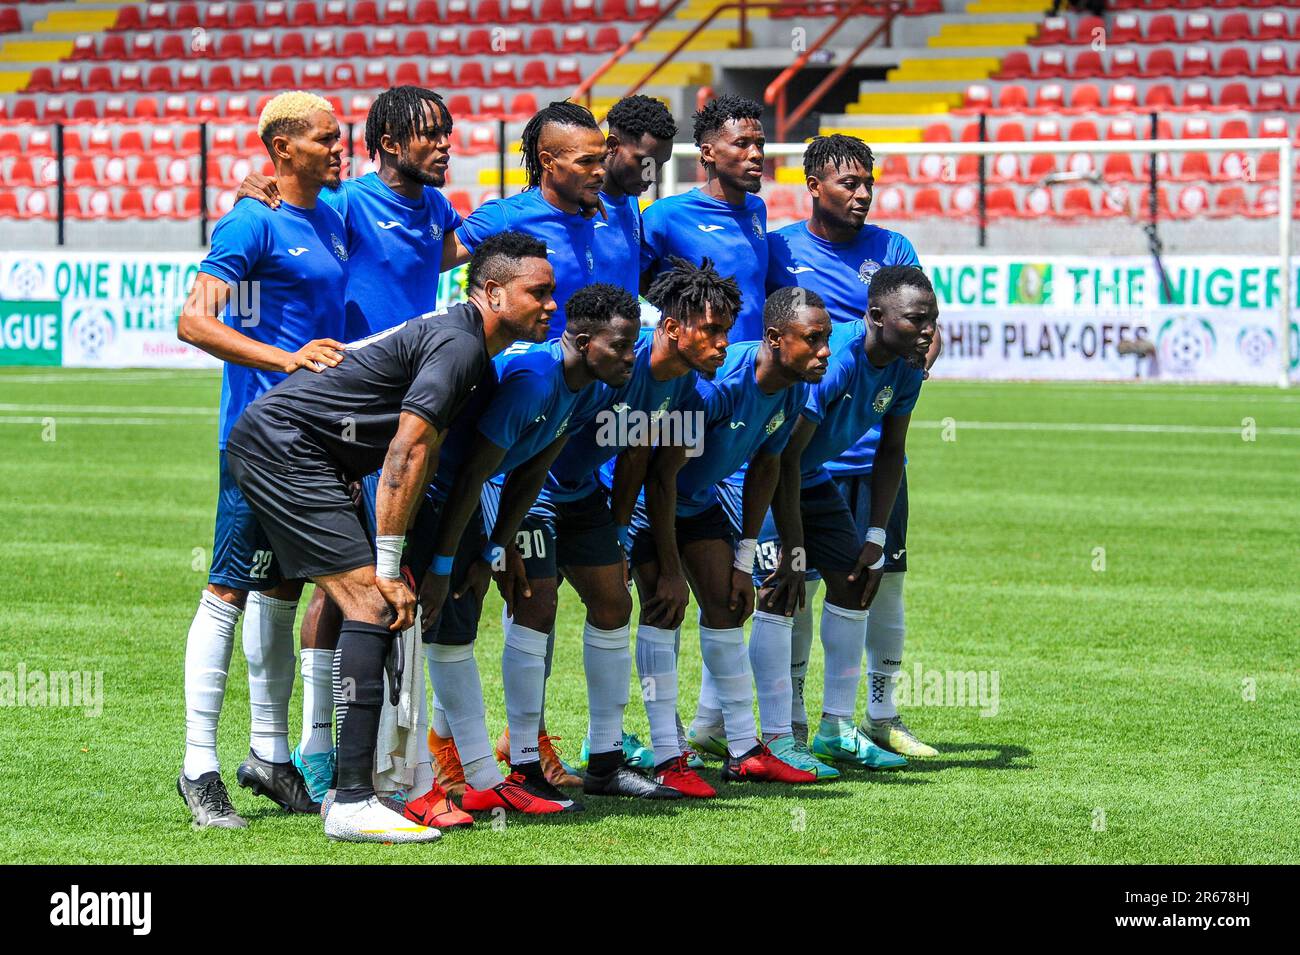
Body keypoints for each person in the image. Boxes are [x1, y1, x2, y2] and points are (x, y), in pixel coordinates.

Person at [224, 231, 555, 842]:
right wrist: (387, 561)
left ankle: (346, 780)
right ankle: (350, 798)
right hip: (285, 449)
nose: (550, 304)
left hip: (301, 450)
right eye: (537, 292)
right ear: (492, 292)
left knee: (366, 608)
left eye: (553, 293)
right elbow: (405, 453)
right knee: (372, 602)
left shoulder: (467, 348)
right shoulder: (459, 347)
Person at [236, 85, 466, 807]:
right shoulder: (349, 203)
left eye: (447, 132)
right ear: (390, 143)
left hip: (407, 416)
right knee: (342, 583)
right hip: (349, 414)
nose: (443, 144)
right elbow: (284, 213)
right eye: (428, 134)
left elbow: (463, 249)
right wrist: (257, 187)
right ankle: (313, 745)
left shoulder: (436, 211)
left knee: (377, 579)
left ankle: (366, 752)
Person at [175, 90, 348, 829]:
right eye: (326, 139)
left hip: (314, 440)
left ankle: (270, 755)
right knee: (226, 591)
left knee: (279, 592)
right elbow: (193, 319)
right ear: (282, 149)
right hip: (257, 436)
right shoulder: (251, 219)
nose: (340, 148)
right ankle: (197, 766)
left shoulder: (332, 213)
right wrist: (289, 359)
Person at [498, 264, 730, 800]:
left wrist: (622, 535)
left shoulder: (684, 383)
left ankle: (604, 761)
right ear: (673, 329)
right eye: (712, 330)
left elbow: (637, 457)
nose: (722, 343)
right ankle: (524, 762)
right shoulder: (619, 363)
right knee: (537, 606)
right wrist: (502, 525)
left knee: (612, 606)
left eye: (725, 332)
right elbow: (538, 434)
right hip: (534, 487)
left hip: (582, 495)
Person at [768, 134, 942, 758]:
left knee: (881, 576)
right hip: (805, 444)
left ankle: (878, 714)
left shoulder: (892, 248)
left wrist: (918, 356)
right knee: (797, 580)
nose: (863, 194)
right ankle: (779, 723)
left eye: (869, 182)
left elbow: (925, 322)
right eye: (849, 183)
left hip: (870, 442)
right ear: (813, 186)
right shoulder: (778, 248)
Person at [633, 279, 830, 785]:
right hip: (647, 505)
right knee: (663, 609)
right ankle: (664, 751)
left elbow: (767, 468)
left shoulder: (794, 389)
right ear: (773, 338)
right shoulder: (715, 386)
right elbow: (659, 476)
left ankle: (744, 749)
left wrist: (745, 562)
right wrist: (671, 570)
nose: (824, 351)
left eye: (826, 338)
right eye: (812, 339)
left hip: (698, 503)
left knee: (726, 605)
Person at [743, 269, 936, 774]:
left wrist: (874, 535)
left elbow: (892, 450)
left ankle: (834, 730)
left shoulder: (907, 368)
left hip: (807, 474)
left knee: (855, 585)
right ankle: (777, 735)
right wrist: (793, 547)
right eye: (916, 319)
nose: (927, 330)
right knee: (782, 594)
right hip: (762, 470)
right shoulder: (836, 360)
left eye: (931, 320)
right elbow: (782, 455)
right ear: (874, 317)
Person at [448, 101, 607, 338]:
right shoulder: (506, 217)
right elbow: (430, 262)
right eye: (585, 162)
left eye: (602, 160)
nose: (600, 171)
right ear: (547, 162)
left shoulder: (600, 214)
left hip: (587, 370)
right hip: (526, 370)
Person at [640, 95, 769, 342]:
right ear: (709, 152)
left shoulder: (757, 209)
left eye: (759, 144)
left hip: (752, 367)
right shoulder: (666, 215)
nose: (756, 154)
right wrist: (679, 311)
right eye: (742, 143)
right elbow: (632, 276)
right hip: (697, 375)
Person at [596, 94, 677, 296]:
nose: (651, 174)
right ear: (612, 146)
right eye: (644, 161)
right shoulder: (574, 205)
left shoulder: (630, 201)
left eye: (659, 164)